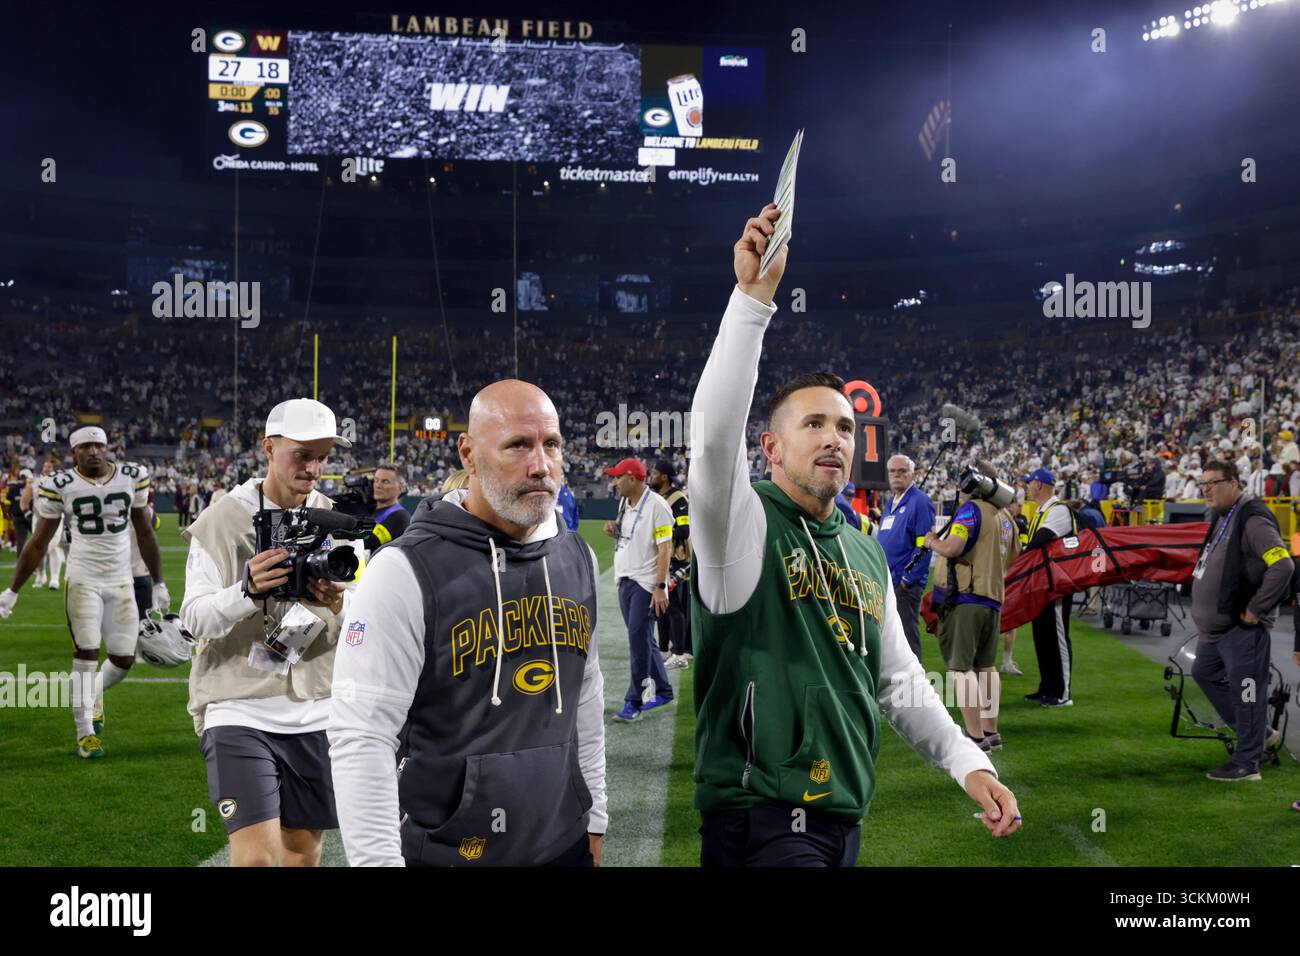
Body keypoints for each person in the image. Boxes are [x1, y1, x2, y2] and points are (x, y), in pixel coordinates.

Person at [688, 203, 1019, 867]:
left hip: (842, 815)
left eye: (844, 427)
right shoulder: (740, 525)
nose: (834, 438)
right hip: (761, 817)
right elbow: (710, 438)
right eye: (812, 425)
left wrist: (966, 762)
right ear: (770, 448)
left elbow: (898, 682)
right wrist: (753, 300)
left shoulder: (862, 547)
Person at [329, 380, 607, 866]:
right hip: (453, 854)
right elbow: (362, 736)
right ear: (469, 454)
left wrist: (595, 816)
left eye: (552, 445)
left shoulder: (575, 556)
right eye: (518, 445)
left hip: (563, 843)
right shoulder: (403, 571)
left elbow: (586, 691)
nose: (540, 465)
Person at [179, 398, 354, 866]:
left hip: (318, 704)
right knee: (257, 858)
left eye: (322, 456)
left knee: (303, 854)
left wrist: (341, 601)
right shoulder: (223, 518)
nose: (314, 467)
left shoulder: (337, 522)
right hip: (238, 704)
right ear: (268, 448)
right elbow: (193, 617)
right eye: (302, 454)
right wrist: (247, 588)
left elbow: (366, 623)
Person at [0, 426, 167, 758]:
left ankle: (93, 696)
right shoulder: (58, 485)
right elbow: (38, 543)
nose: (94, 451)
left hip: (121, 581)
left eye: (99, 445)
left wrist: (159, 581)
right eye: (86, 446)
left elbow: (145, 533)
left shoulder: (131, 477)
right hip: (83, 580)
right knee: (87, 653)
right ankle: (85, 735)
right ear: (74, 452)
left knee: (123, 659)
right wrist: (12, 590)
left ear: (108, 448)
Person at [1188, 460, 1294, 781]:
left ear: (1234, 483)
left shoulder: (1252, 518)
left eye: (1213, 482)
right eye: (1202, 482)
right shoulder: (1223, 516)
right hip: (1217, 631)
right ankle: (1258, 734)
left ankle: (1248, 764)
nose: (1206, 488)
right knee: (1204, 671)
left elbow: (1283, 566)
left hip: (1241, 629)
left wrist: (1256, 609)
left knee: (1247, 692)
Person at [925, 460, 1021, 751]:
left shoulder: (971, 510)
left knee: (960, 669)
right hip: (993, 599)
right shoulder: (1006, 517)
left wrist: (932, 542)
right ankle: (991, 732)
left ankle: (975, 736)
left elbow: (953, 547)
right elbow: (1014, 557)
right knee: (986, 667)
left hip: (966, 597)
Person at [603, 458, 675, 722]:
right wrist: (615, 531)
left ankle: (634, 701)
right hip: (625, 580)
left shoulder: (658, 506)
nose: (613, 482)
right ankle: (664, 691)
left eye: (617, 477)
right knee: (644, 639)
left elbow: (665, 548)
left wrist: (660, 586)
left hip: (645, 583)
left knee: (638, 643)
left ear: (632, 478)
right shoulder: (626, 503)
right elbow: (629, 535)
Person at [1022, 468, 1078, 708]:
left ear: (1039, 485)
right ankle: (1047, 686)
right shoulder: (1042, 512)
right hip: (1043, 583)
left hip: (1056, 584)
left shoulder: (1059, 511)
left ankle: (1062, 692)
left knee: (1057, 636)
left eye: (1029, 483)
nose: (1026, 487)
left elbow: (1039, 541)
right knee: (1043, 636)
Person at [875, 454, 936, 663]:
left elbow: (924, 545)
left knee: (907, 638)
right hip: (888, 582)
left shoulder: (919, 502)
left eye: (902, 471)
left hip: (904, 585)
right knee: (892, 639)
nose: (896, 475)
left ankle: (915, 687)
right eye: (892, 471)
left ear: (913, 474)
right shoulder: (891, 502)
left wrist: (907, 580)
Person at [649, 458, 693, 667]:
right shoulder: (658, 497)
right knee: (661, 607)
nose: (651, 476)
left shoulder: (678, 498)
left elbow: (684, 531)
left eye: (654, 473)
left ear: (664, 476)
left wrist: (659, 533)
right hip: (660, 558)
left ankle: (681, 652)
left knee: (674, 607)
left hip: (675, 559)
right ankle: (664, 648)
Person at [363, 462, 411, 552]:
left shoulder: (400, 517)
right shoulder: (369, 510)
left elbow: (368, 542)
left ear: (400, 488)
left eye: (385, 482)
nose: (378, 485)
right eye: (376, 480)